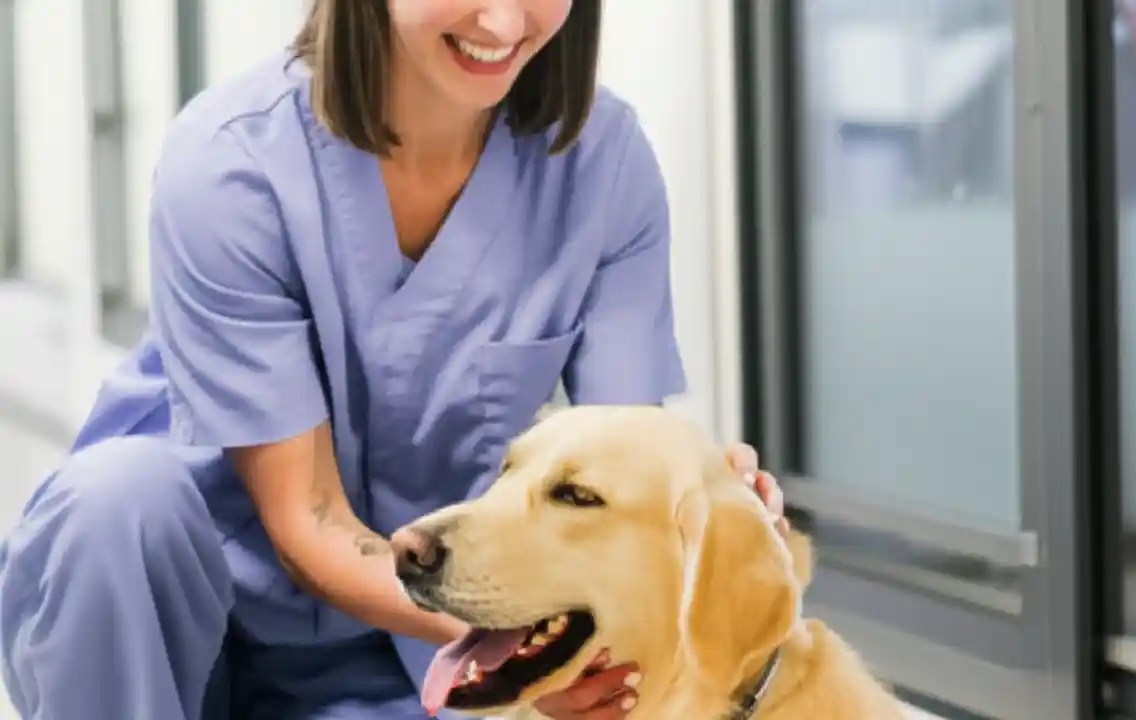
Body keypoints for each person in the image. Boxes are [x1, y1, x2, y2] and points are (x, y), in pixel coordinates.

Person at [0, 1, 788, 718]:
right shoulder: (231, 160)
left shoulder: (604, 166)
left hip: (413, 658)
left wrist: (706, 513)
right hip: (164, 625)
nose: (506, 20)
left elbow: (619, 470)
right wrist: (514, 623)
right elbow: (308, 521)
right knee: (118, 501)